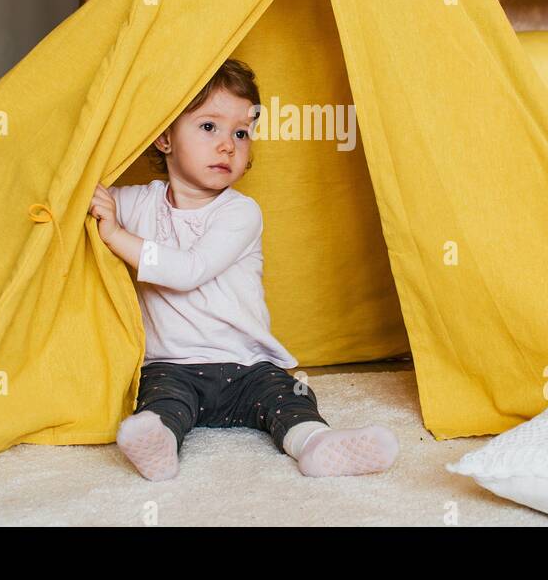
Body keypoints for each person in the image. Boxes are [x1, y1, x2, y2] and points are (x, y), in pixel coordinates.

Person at [89, 58, 398, 481]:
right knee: (160, 402)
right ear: (163, 137)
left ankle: (315, 444)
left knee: (291, 395)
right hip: (172, 366)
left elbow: (188, 270)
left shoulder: (240, 213)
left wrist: (115, 236)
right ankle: (159, 442)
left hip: (247, 366)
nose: (227, 145)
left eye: (241, 132)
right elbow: (83, 194)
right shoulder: (138, 203)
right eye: (209, 127)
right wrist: (98, 207)